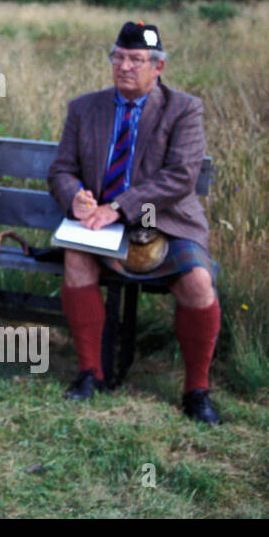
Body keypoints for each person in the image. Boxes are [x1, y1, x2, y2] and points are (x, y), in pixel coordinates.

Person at [47, 21, 220, 424]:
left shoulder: (184, 108)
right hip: (98, 223)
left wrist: (120, 206)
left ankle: (197, 390)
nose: (124, 67)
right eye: (118, 58)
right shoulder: (84, 107)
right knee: (76, 261)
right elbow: (60, 170)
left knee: (197, 281)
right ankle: (90, 372)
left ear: (157, 66)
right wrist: (74, 195)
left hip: (166, 221)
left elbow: (180, 176)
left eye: (136, 60)